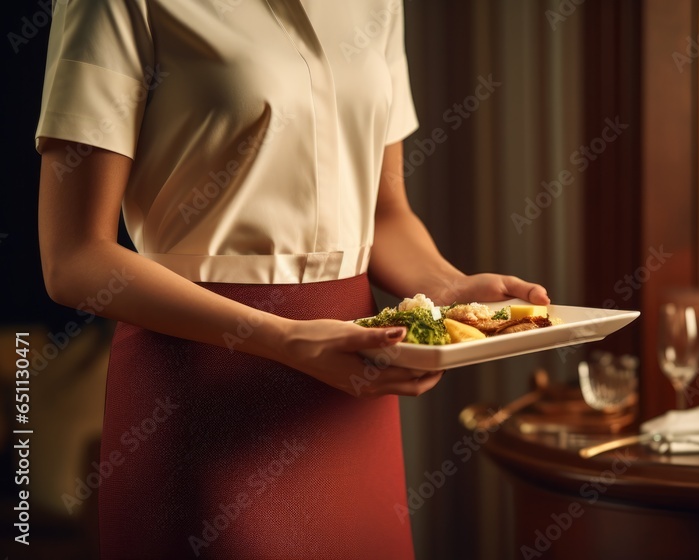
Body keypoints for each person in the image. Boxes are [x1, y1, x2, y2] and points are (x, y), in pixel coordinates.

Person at [34, 2, 548, 558]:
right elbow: (75, 259)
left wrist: (448, 289)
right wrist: (280, 337)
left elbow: (384, 215)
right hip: (202, 385)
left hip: (351, 388)